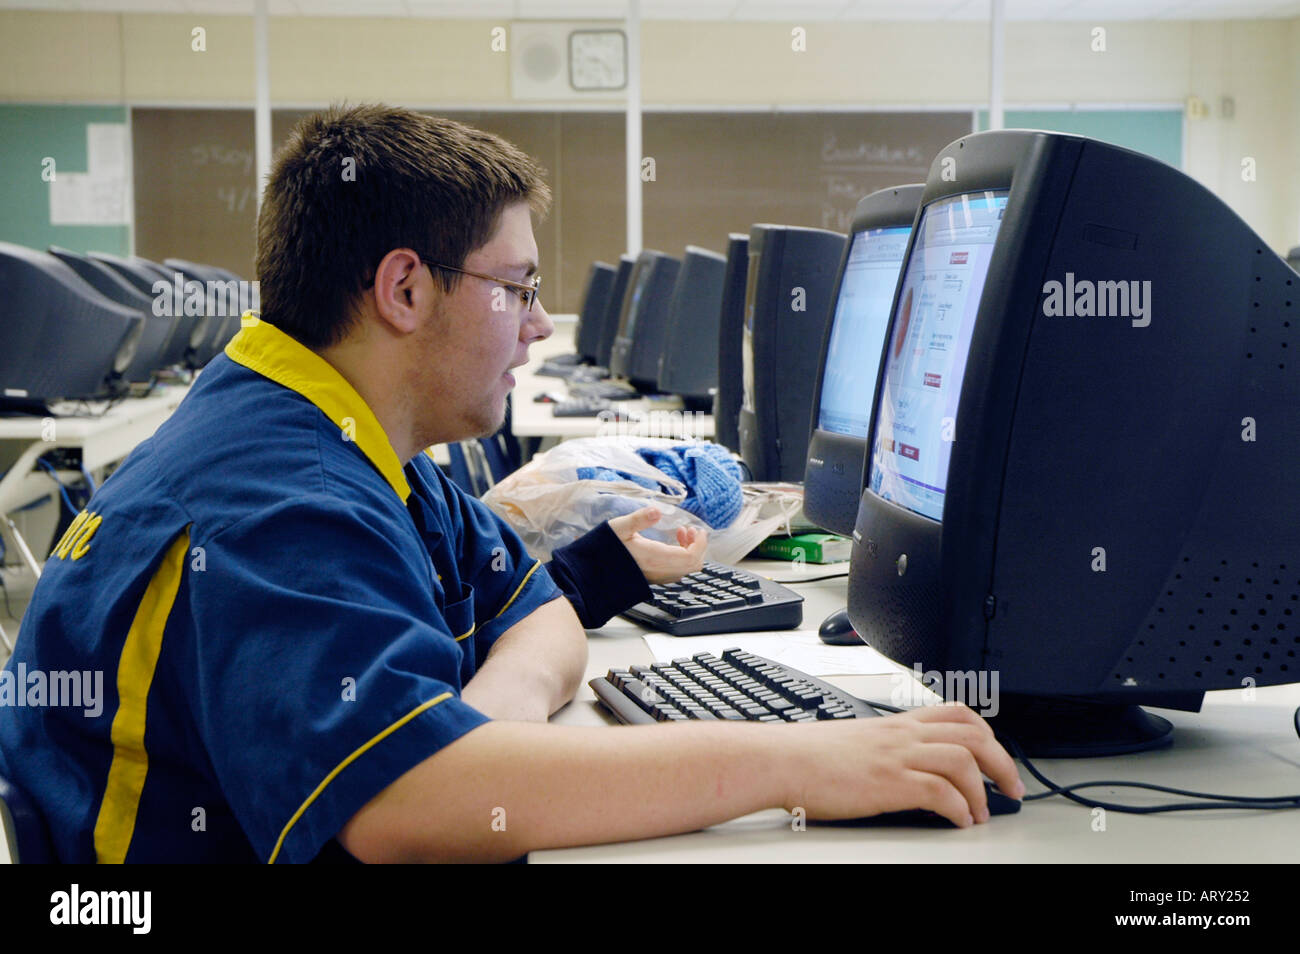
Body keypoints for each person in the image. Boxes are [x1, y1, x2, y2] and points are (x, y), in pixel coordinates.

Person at [0, 104, 1022, 864]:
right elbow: (408, 806)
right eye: (518, 288)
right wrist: (802, 762)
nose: (537, 325)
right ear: (405, 289)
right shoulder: (280, 495)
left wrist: (481, 732)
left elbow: (540, 616)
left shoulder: (357, 441)